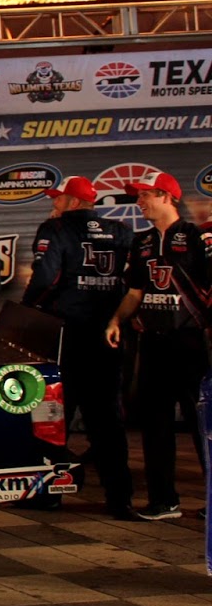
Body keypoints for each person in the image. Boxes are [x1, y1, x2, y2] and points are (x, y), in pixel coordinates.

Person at [23, 175, 134, 518]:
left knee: (51, 417)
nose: (53, 204)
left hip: (64, 337)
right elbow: (133, 281)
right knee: (108, 422)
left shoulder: (55, 229)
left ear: (72, 202)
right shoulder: (121, 232)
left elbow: (45, 278)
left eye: (57, 199)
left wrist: (28, 313)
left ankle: (48, 494)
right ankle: (119, 499)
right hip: (106, 337)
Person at [105, 171, 212, 521]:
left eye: (144, 195)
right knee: (155, 423)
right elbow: (135, 292)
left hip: (193, 343)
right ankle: (164, 501)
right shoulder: (143, 241)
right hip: (153, 344)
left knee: (204, 424)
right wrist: (116, 320)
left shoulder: (198, 237)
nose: (138, 201)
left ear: (166, 196)